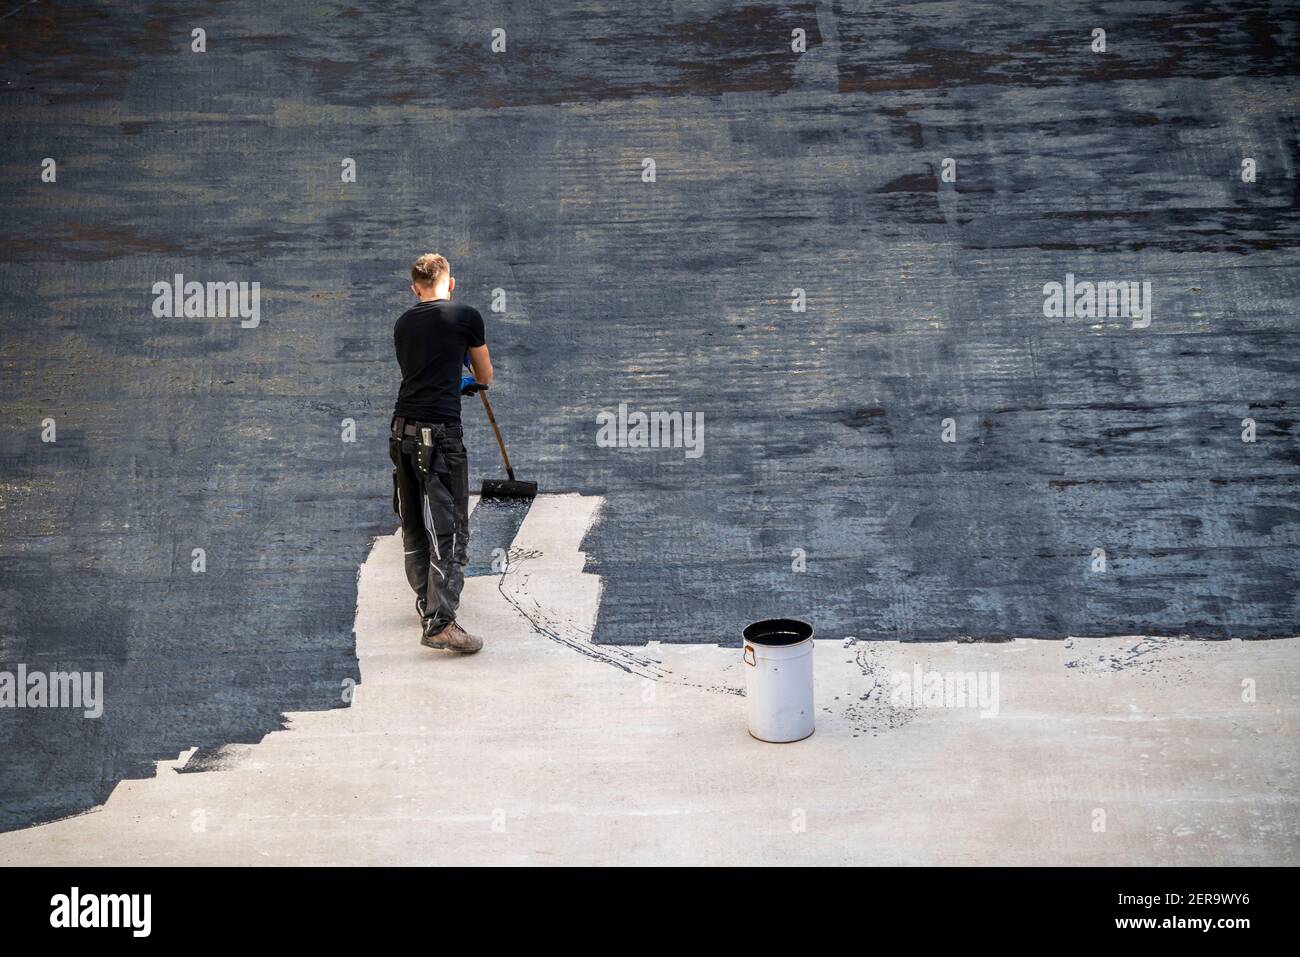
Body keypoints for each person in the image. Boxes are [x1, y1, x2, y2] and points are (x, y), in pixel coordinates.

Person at [389, 253, 493, 653]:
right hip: (440, 438)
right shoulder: (466, 316)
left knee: (415, 524)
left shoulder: (403, 323)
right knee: (450, 533)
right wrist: (465, 375)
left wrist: (452, 373)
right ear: (451, 283)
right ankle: (440, 624)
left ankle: (425, 603)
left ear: (416, 288)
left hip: (401, 433)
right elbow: (485, 377)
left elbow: (421, 371)